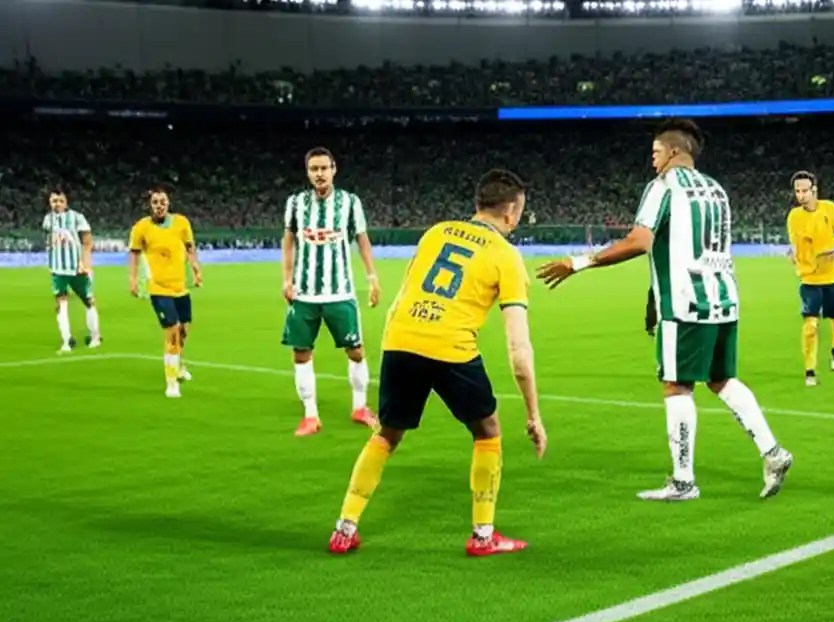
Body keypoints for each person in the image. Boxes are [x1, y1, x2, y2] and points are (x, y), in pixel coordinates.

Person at [536, 119, 793, 501]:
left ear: (674, 151)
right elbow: (681, 248)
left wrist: (578, 263)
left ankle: (683, 482)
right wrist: (652, 299)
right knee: (722, 379)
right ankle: (773, 453)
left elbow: (640, 241)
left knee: (676, 386)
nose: (652, 161)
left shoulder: (663, 187)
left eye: (655, 153)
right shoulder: (716, 189)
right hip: (724, 300)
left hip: (686, 302)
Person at [328, 169, 546, 557]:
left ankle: (345, 526)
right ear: (512, 211)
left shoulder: (436, 232)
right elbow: (519, 350)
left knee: (387, 433)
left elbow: (400, 299)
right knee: (487, 431)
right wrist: (533, 414)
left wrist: (393, 352)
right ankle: (482, 536)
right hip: (452, 348)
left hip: (401, 339)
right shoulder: (507, 257)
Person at [281, 147, 381, 437]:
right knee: (301, 353)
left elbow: (362, 240)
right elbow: (288, 242)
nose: (320, 174)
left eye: (324, 168)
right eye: (314, 169)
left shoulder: (350, 202)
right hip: (304, 294)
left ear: (334, 169)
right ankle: (310, 415)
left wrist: (372, 277)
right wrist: (286, 280)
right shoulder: (296, 203)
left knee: (356, 351)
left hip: (341, 293)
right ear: (308, 172)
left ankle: (360, 407)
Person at [129, 186, 202, 398]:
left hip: (180, 286)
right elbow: (134, 254)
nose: (159, 206)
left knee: (183, 332)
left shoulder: (181, 223)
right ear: (150, 205)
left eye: (163, 202)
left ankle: (178, 364)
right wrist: (133, 279)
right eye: (155, 202)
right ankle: (171, 382)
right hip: (158, 288)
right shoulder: (141, 228)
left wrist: (196, 269)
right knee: (171, 331)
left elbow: (189, 248)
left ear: (168, 203)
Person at [786, 171, 834, 386]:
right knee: (810, 326)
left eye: (805, 190)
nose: (801, 195)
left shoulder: (830, 210)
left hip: (833, 278)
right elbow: (795, 244)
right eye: (797, 191)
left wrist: (829, 246)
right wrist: (794, 256)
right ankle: (810, 371)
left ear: (814, 190)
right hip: (809, 280)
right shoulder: (794, 216)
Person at [43, 189, 101, 353]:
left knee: (88, 300)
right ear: (50, 202)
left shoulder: (77, 217)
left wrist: (86, 263)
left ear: (66, 202)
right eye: (54, 201)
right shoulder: (48, 220)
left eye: (60, 200)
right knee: (61, 303)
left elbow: (88, 242)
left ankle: (95, 337)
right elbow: (50, 243)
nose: (57, 204)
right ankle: (67, 341)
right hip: (58, 269)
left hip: (77, 268)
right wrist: (50, 264)